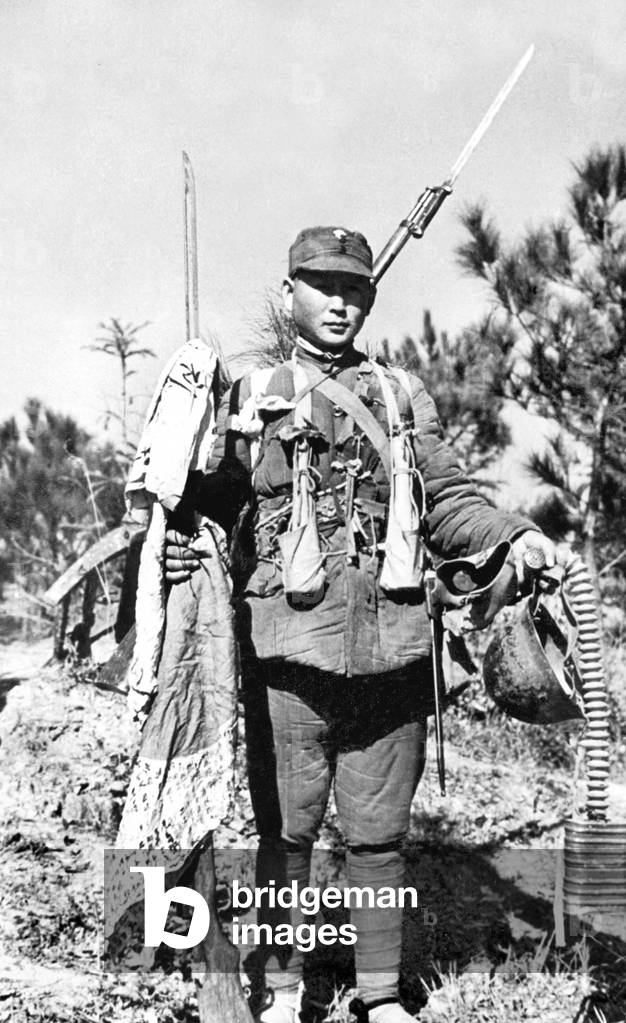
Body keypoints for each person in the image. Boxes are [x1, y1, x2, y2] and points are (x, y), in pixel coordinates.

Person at [165, 226, 556, 1022]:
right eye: (321, 285)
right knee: (287, 834)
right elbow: (206, 503)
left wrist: (514, 535)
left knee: (379, 838)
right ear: (289, 294)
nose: (339, 301)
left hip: (393, 648)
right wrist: (180, 544)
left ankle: (378, 995)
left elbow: (449, 500)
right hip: (286, 650)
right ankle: (279, 993)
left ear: (370, 299)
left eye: (354, 289)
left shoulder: (403, 395)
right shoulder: (248, 393)